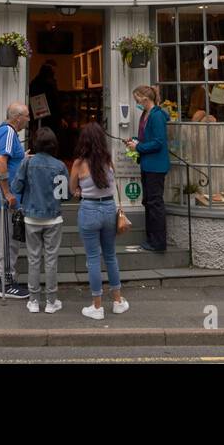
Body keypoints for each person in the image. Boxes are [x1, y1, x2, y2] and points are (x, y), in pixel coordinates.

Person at [69, 122, 129, 320]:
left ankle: (97, 306)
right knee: (110, 256)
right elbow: (111, 186)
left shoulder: (79, 163)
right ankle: (118, 301)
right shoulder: (108, 161)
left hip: (89, 209)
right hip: (108, 209)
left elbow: (72, 189)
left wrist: (80, 190)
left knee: (93, 258)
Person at [11, 127, 68, 313]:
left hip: (32, 218)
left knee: (33, 259)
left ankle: (34, 300)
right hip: (53, 218)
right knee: (51, 260)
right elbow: (64, 195)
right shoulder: (60, 165)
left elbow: (16, 186)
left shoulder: (28, 163)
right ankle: (51, 301)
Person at [0, 102, 30, 298]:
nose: (28, 120)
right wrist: (8, 193)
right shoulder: (9, 133)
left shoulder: (0, 131)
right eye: (26, 116)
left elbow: (9, 160)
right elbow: (1, 161)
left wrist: (22, 159)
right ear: (17, 118)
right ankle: (7, 283)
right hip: (3, 198)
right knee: (7, 241)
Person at [127, 84, 170, 252]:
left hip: (156, 166)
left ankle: (158, 242)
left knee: (155, 203)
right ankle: (151, 239)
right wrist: (135, 140)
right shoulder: (145, 114)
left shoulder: (157, 116)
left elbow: (159, 142)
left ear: (146, 99)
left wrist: (138, 148)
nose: (136, 103)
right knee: (149, 202)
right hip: (147, 164)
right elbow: (147, 138)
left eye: (137, 100)